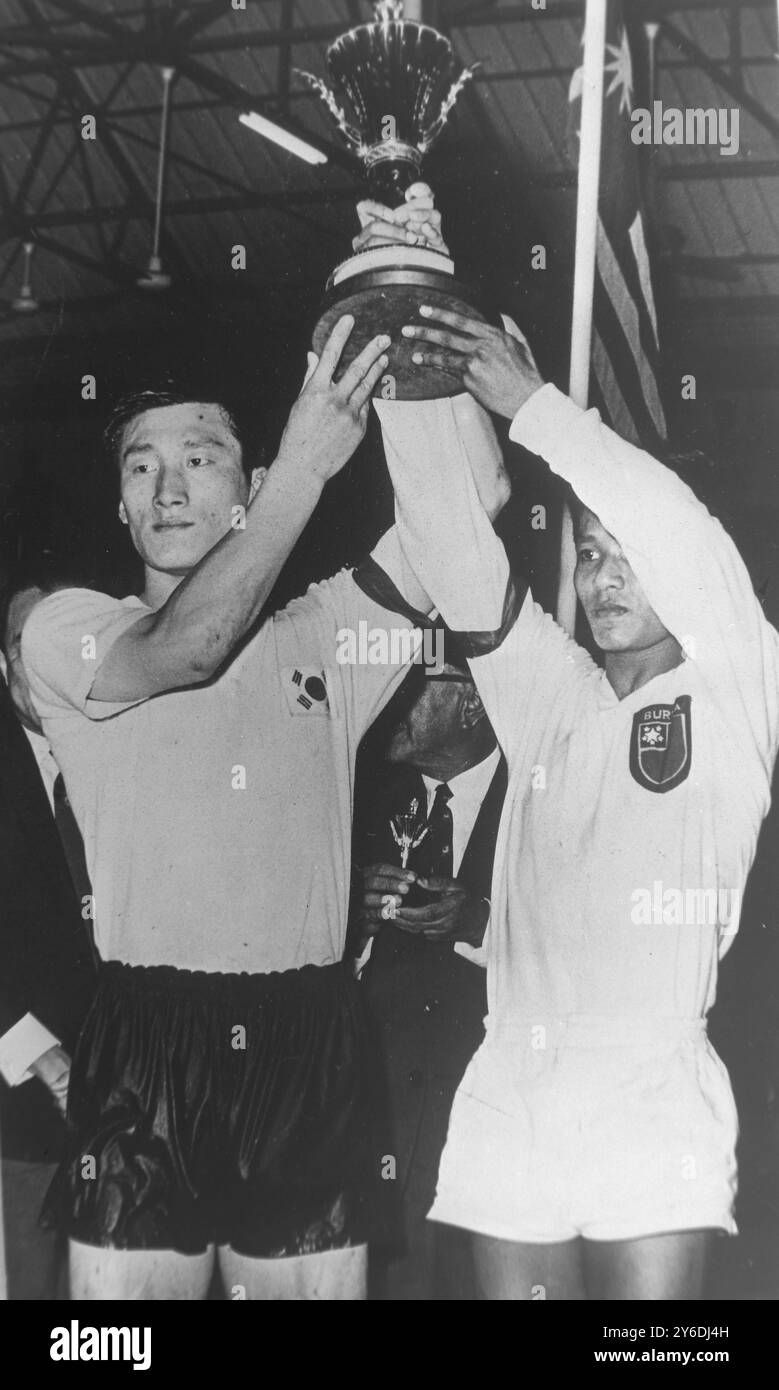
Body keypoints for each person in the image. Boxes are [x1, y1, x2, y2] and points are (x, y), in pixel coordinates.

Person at [20, 308, 509, 1300]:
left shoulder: (328, 626)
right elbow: (186, 651)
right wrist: (303, 467)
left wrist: (414, 319)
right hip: (145, 1045)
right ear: (118, 503)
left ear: (244, 490)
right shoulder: (67, 631)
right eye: (141, 466)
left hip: (309, 1041)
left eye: (200, 459)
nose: (166, 488)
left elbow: (475, 503)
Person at [371, 302, 779, 1300]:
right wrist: (407, 384)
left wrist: (533, 407)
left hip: (647, 1086)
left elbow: (685, 535)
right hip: (516, 1080)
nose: (602, 575)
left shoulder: (737, 682)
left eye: (624, 555)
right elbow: (452, 549)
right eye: (588, 553)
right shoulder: (550, 694)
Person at [352, 638, 506, 1299]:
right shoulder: (353, 788)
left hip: (487, 1132)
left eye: (414, 680)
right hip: (367, 1121)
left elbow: (600, 943)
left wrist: (479, 924)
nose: (388, 695)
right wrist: (348, 914)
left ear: (472, 701)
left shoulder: (546, 786)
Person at [0, 569, 96, 1299]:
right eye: (25, 650)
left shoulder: (129, 752)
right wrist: (35, 1053)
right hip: (22, 1116)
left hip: (139, 1105)